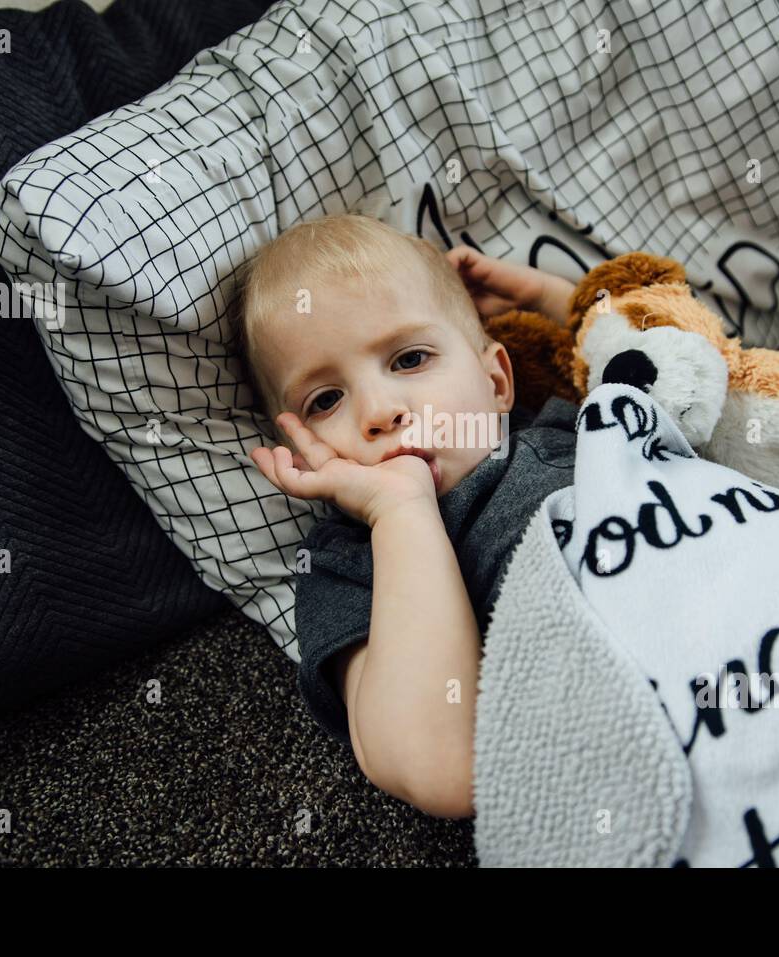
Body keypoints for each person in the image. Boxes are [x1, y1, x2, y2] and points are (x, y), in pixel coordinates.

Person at [236, 213, 579, 818]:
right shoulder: (351, 565)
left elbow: (692, 361)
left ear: (497, 380)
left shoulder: (563, 424)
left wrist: (552, 297)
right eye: (325, 400)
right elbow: (442, 769)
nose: (379, 410)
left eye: (410, 359)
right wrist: (400, 511)